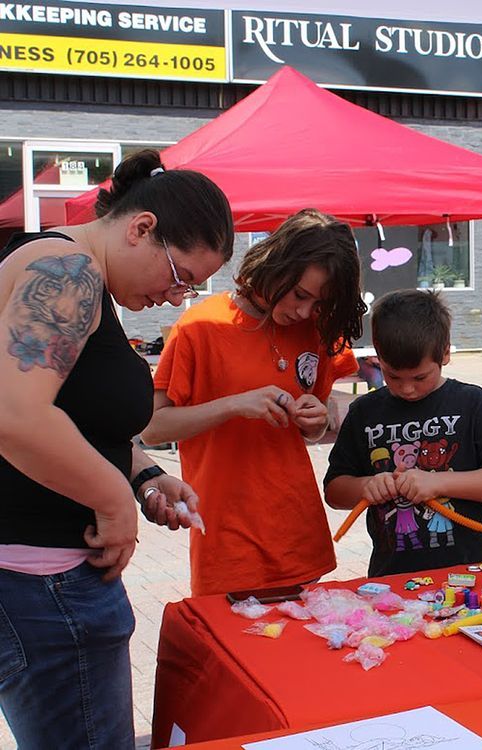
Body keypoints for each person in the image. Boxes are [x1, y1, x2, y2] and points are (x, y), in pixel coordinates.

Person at [0, 149, 233, 749]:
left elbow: (75, 416)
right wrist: (114, 505)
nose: (179, 298)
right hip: (40, 584)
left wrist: (145, 476)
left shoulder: (72, 271)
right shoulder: (68, 272)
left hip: (46, 581)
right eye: (181, 276)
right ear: (141, 228)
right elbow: (16, 413)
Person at [142, 209, 365, 596]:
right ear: (275, 263)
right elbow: (152, 427)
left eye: (319, 304)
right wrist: (234, 405)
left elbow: (315, 426)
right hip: (228, 537)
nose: (304, 312)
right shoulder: (203, 326)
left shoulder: (315, 329)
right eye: (300, 294)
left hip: (296, 531)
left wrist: (315, 420)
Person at [324, 290, 482, 577]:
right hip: (391, 578)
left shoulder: (473, 403)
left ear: (445, 353)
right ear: (377, 357)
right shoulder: (364, 412)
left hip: (468, 574)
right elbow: (335, 492)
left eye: (419, 377)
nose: (407, 388)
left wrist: (438, 482)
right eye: (392, 376)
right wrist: (368, 485)